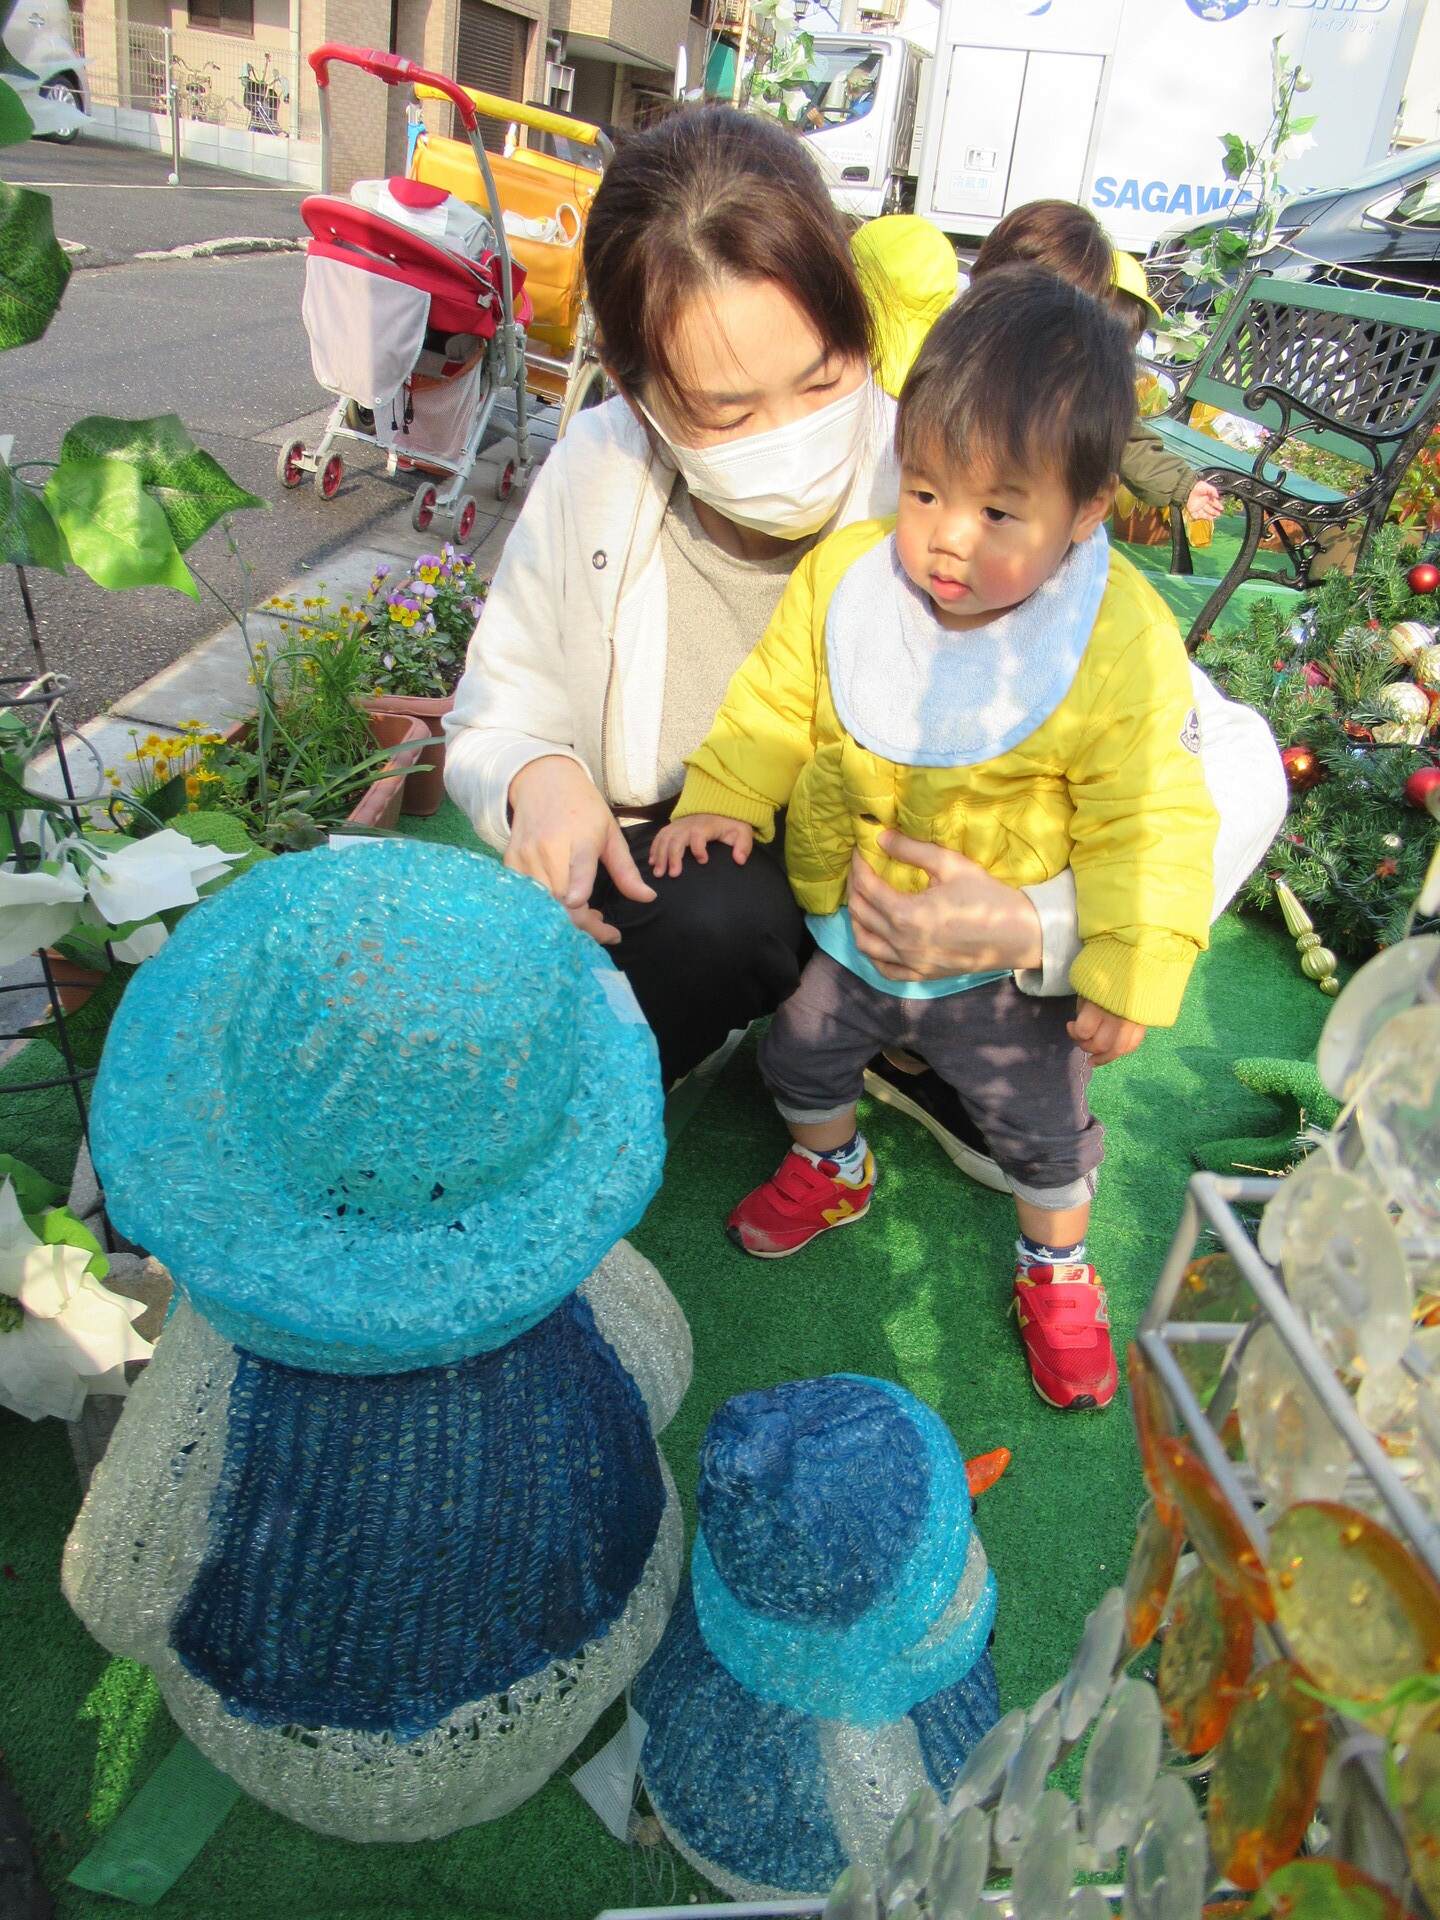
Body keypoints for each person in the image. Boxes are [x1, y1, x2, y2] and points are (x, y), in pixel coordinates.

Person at [441, 108, 1285, 1171]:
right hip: (699, 870)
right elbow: (495, 714)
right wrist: (538, 775)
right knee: (693, 927)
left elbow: (1232, 763)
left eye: (823, 375)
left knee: (991, 1107)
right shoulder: (596, 473)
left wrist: (1038, 926)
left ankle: (915, 1040)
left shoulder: (947, 476)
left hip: (901, 901)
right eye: (725, 413)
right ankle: (588, 1102)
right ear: (634, 386)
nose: (787, 436)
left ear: (861, 324)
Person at [649, 267, 1218, 1412]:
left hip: (1003, 977)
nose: (948, 539)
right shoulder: (850, 579)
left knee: (1044, 1132)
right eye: (923, 491)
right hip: (852, 936)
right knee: (799, 1060)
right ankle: (833, 1166)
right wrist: (724, 793)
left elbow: (1152, 814)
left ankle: (1057, 1269)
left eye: (1000, 513)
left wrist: (1130, 961)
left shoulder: (1114, 640)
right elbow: (775, 702)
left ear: (1088, 511)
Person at [969, 199, 1225, 530]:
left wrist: (1181, 485)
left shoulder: (1080, 378)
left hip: (1039, 520)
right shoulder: (963, 354)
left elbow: (1124, 438)